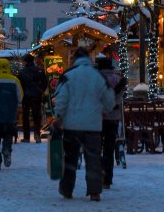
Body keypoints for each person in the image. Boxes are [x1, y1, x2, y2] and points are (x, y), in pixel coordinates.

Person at [53, 48, 114, 201]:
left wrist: (59, 116)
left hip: (72, 125)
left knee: (70, 158)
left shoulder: (68, 76)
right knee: (93, 158)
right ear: (89, 58)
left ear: (75, 59)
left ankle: (67, 189)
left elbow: (62, 99)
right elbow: (109, 99)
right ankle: (95, 191)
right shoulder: (98, 76)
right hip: (93, 125)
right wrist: (105, 109)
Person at [95, 56, 128, 189]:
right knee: (109, 148)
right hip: (114, 118)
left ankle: (99, 174)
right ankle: (108, 179)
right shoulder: (118, 79)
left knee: (96, 148)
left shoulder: (96, 79)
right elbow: (120, 98)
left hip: (98, 117)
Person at [17, 54, 47, 143]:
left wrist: (21, 94)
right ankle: (37, 134)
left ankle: (26, 137)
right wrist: (40, 91)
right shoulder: (39, 70)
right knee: (36, 115)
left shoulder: (22, 72)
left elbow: (19, 85)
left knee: (25, 116)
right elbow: (45, 82)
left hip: (25, 96)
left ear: (25, 61)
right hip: (36, 96)